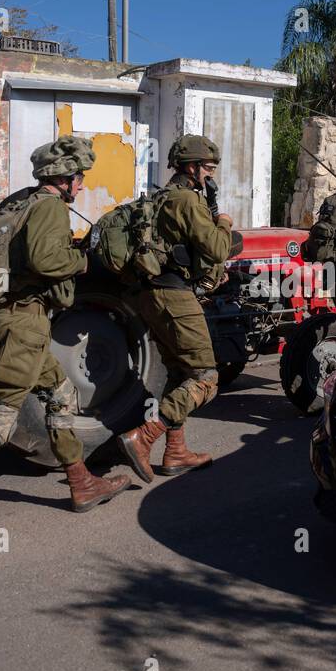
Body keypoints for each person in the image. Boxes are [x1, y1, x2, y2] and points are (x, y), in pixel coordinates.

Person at [0, 135, 129, 548]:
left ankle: (80, 481)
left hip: (10, 319)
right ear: (67, 177)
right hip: (23, 323)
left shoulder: (20, 201)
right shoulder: (51, 207)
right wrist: (85, 260)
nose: (83, 185)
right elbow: (46, 260)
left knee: (60, 393)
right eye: (81, 177)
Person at [114, 134, 233, 483]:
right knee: (206, 378)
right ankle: (145, 436)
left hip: (151, 295)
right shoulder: (186, 201)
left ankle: (176, 451)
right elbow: (217, 249)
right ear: (192, 167)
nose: (210, 176)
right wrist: (223, 220)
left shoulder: (161, 197)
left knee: (181, 375)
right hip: (174, 296)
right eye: (208, 169)